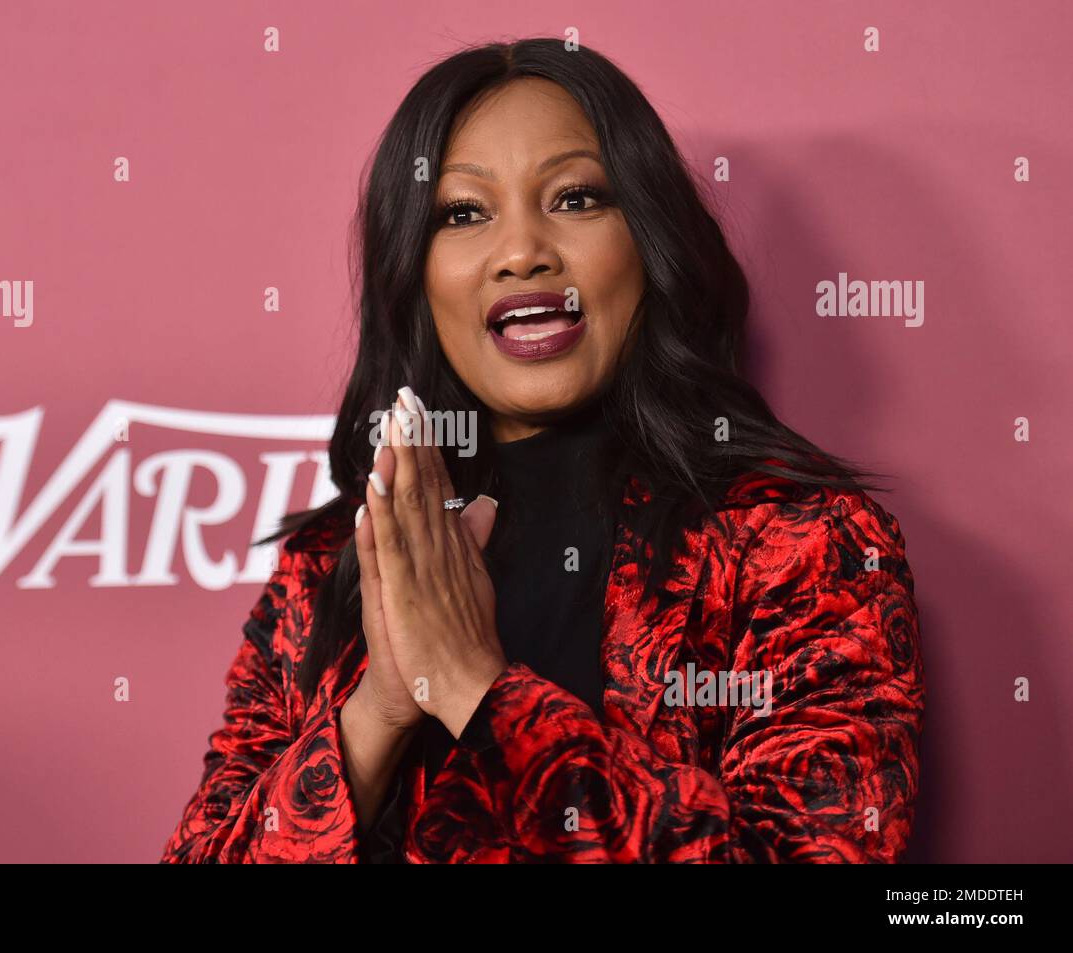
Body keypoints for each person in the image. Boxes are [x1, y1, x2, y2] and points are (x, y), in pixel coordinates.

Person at [160, 38, 924, 863]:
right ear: (414, 275)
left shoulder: (800, 545)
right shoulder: (329, 565)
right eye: (463, 212)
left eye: (576, 197)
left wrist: (479, 689)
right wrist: (380, 707)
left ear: (650, 242)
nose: (523, 251)